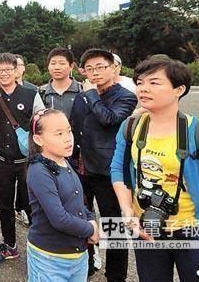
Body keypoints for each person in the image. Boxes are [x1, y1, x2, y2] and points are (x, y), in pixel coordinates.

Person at [111, 58, 199, 282]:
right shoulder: (130, 127)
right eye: (140, 82)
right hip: (148, 228)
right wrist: (127, 209)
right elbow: (118, 169)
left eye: (154, 82)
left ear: (179, 90)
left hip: (194, 231)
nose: (143, 88)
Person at [69, 48, 137, 281]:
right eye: (89, 69)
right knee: (82, 220)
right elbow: (74, 127)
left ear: (113, 68)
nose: (95, 72)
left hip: (109, 172)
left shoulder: (125, 96)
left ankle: (116, 276)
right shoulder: (82, 96)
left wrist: (91, 94)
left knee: (114, 225)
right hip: (80, 169)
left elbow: (109, 119)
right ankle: (87, 264)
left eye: (100, 67)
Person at [0, 52, 45, 264]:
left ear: (16, 70)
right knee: (5, 205)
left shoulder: (31, 94)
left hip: (27, 162)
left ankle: (40, 247)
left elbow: (41, 123)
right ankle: (9, 245)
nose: (4, 73)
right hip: (1, 160)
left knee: (32, 204)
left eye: (8, 69)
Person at [27, 108, 98, 282]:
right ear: (38, 139)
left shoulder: (64, 161)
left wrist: (91, 219)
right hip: (49, 260)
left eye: (69, 131)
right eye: (59, 134)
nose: (68, 138)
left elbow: (79, 201)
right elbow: (59, 218)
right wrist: (90, 230)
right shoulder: (39, 171)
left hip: (77, 256)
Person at [39, 47, 83, 118]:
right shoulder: (41, 93)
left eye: (62, 63)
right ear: (48, 66)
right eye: (53, 63)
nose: (57, 67)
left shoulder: (82, 90)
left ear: (71, 66)